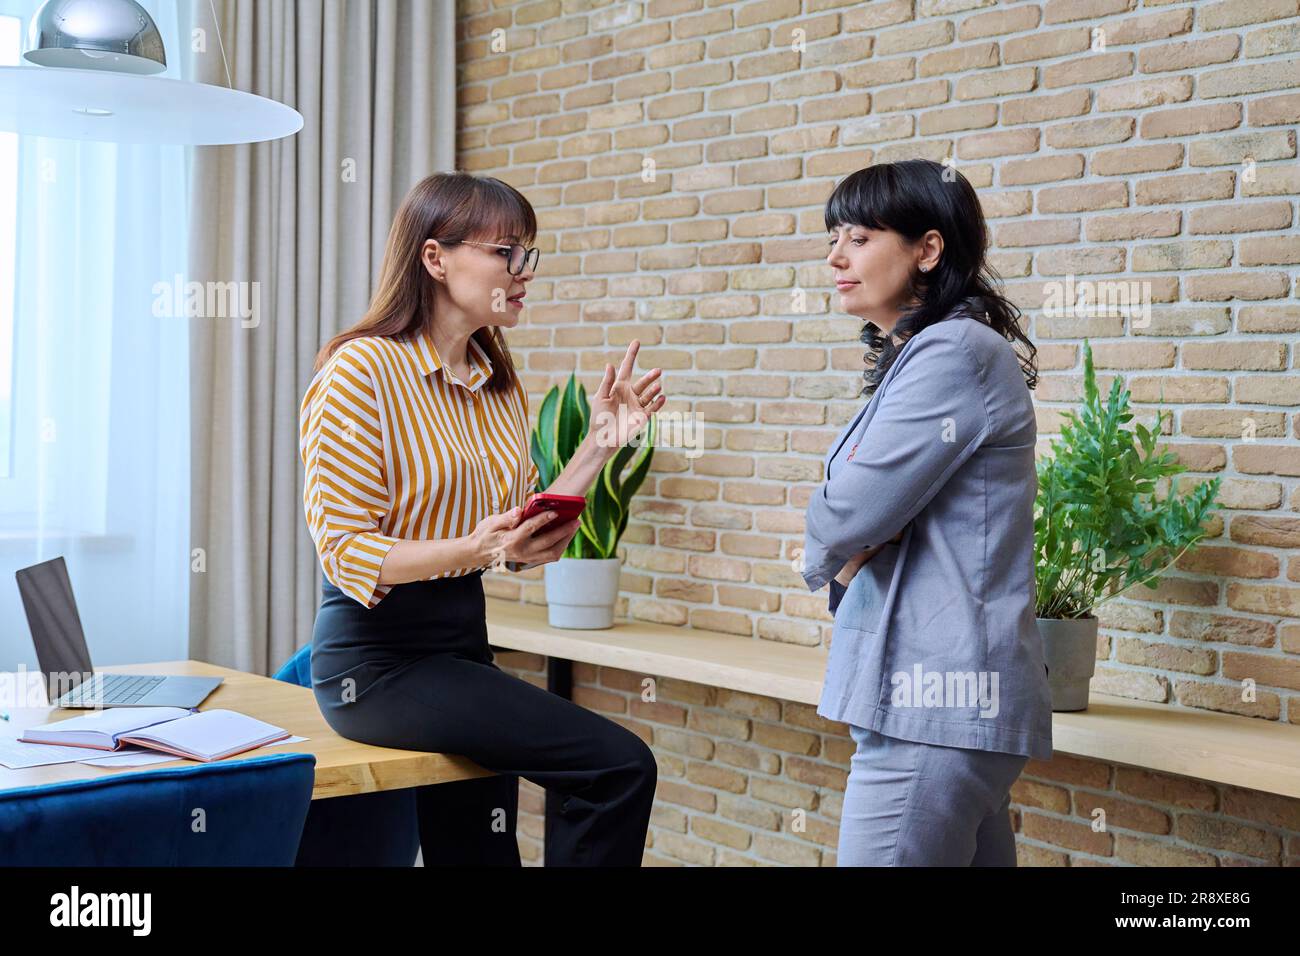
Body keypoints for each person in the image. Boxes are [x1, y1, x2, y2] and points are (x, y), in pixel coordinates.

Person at [298, 171, 667, 866]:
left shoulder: (494, 379)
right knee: (618, 769)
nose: (523, 272)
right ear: (435, 258)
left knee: (479, 854)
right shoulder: (360, 371)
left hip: (463, 649)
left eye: (528, 254)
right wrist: (478, 545)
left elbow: (512, 539)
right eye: (506, 253)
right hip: (378, 663)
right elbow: (346, 554)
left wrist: (599, 445)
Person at [801, 159, 1053, 866]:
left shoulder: (953, 353)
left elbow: (846, 512)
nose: (836, 256)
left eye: (859, 237)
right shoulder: (922, 355)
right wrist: (852, 538)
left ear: (928, 249)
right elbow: (864, 511)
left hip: (933, 709)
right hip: (939, 701)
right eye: (833, 237)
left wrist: (840, 541)